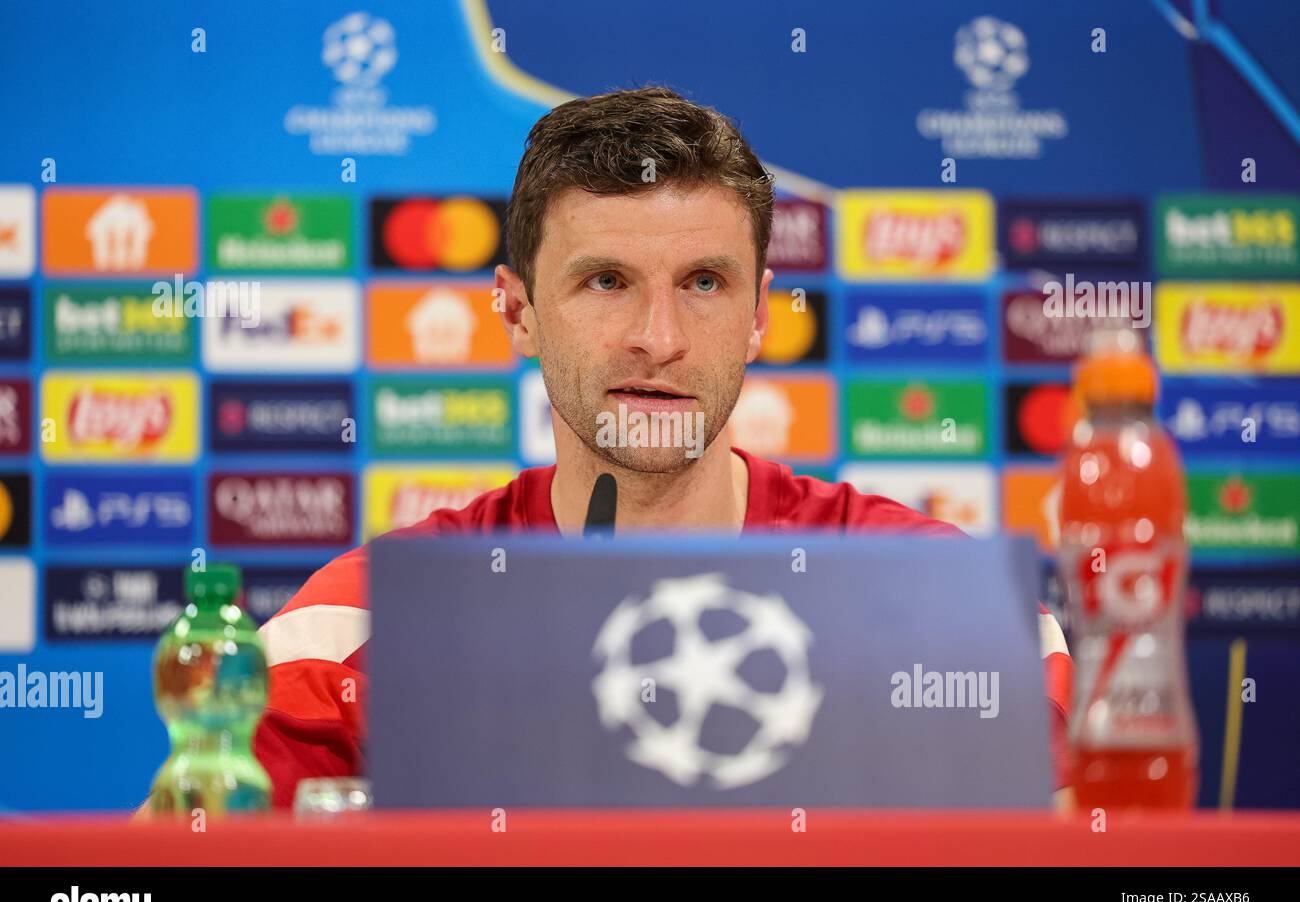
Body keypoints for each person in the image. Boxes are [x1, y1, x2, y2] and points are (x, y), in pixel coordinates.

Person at [249, 86, 1074, 809]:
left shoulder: (941, 602)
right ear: (518, 311)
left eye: (704, 284)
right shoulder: (357, 623)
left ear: (758, 318)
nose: (659, 339)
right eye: (606, 281)